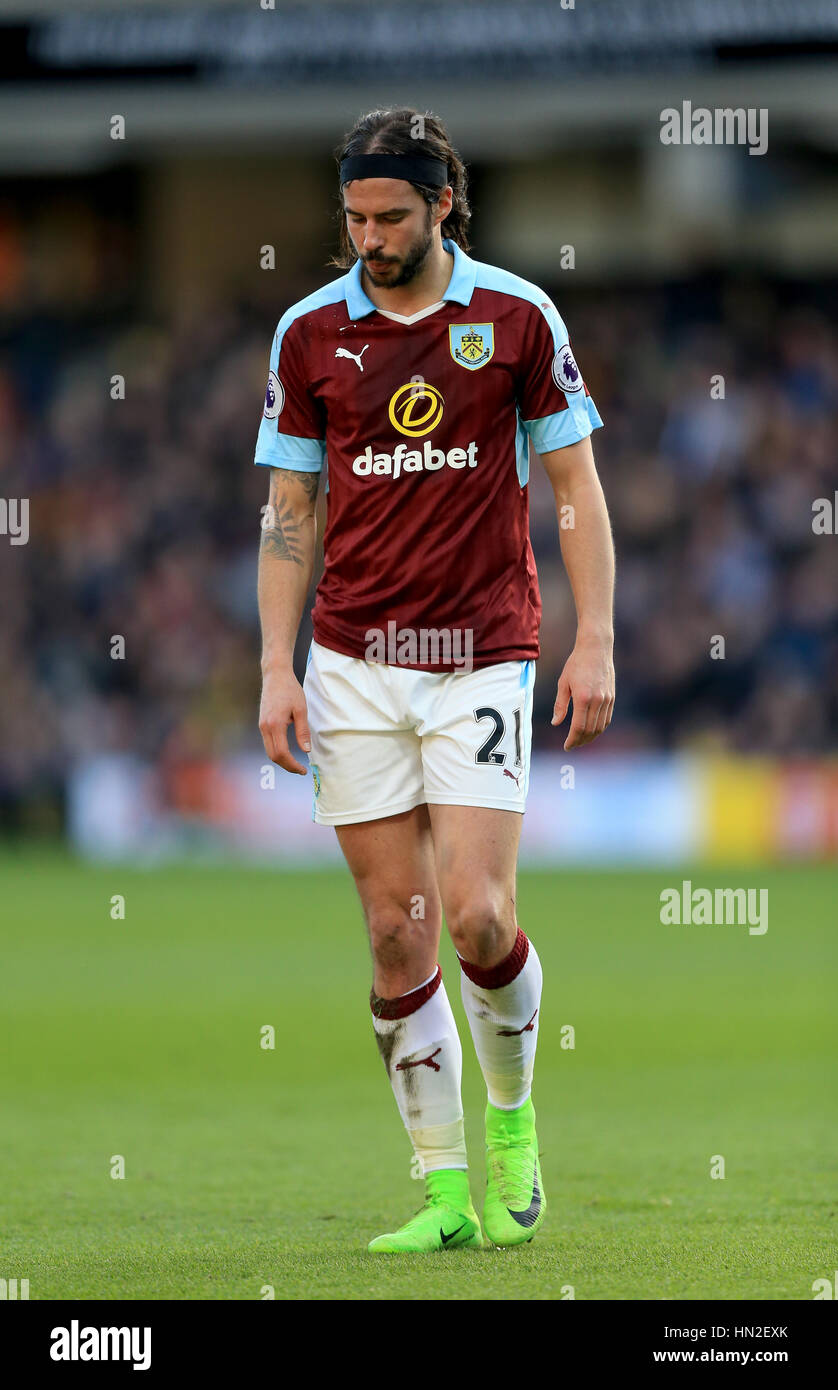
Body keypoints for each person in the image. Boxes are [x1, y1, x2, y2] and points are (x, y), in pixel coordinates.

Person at [255, 107, 615, 1253]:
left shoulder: (514, 316)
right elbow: (288, 514)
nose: (369, 236)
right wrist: (275, 665)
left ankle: (512, 1126)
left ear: (442, 204)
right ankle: (447, 1189)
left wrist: (595, 635)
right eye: (354, 218)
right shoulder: (309, 335)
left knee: (476, 914)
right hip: (354, 661)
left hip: (480, 654)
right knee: (397, 935)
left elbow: (574, 486)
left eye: (391, 216)